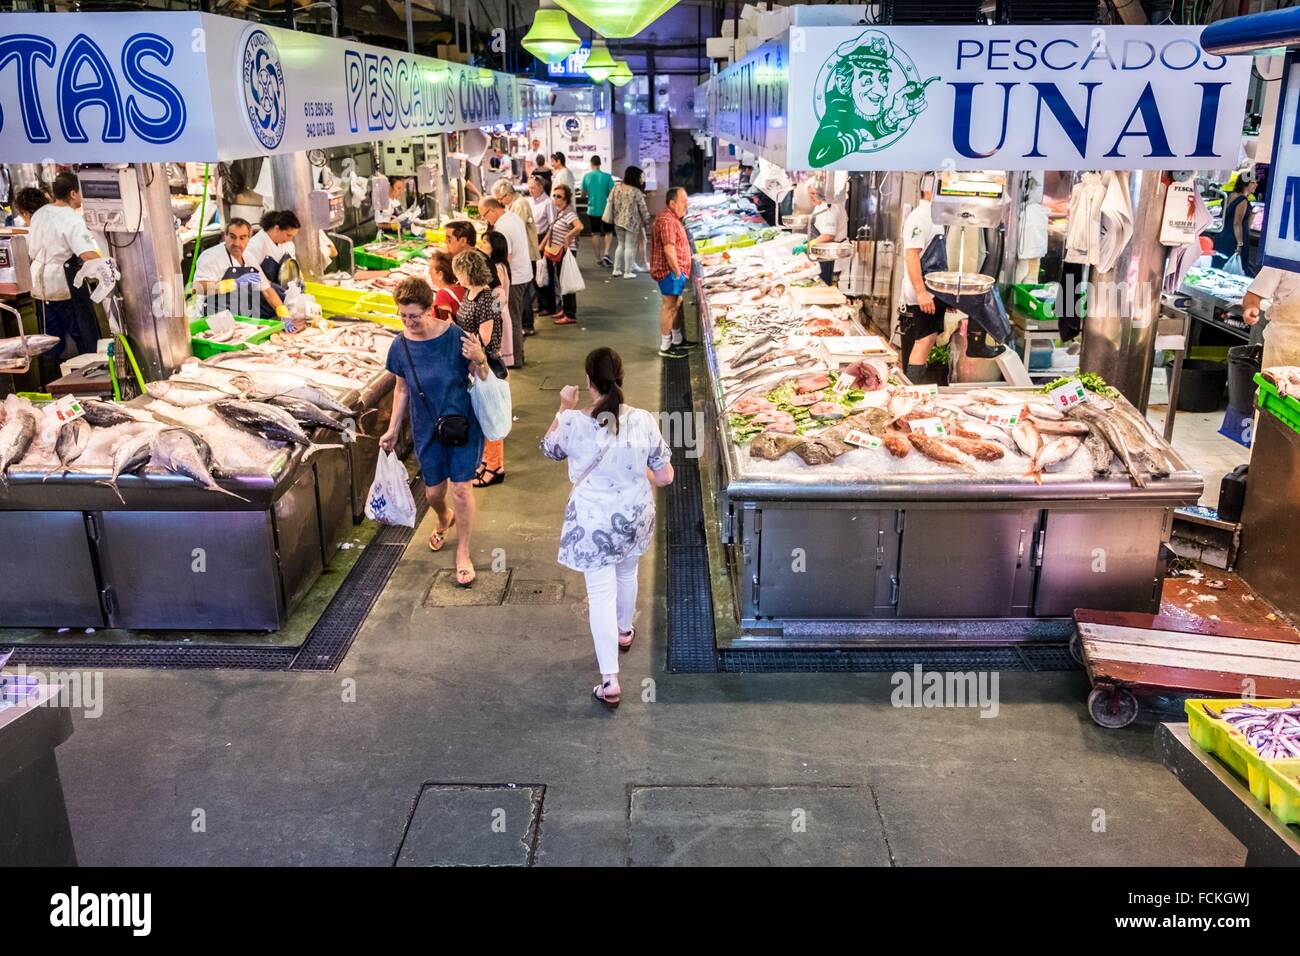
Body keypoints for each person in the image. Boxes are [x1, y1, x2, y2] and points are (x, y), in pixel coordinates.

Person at [540, 347, 674, 708]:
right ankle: (625, 631)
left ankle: (610, 680)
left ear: (587, 382)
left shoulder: (573, 422)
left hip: (593, 521)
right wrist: (640, 470)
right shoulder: (643, 420)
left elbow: (548, 450)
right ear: (621, 377)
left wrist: (563, 408)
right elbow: (664, 476)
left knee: (600, 593)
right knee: (628, 571)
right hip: (633, 516)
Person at [379, 276, 489, 588]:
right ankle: (444, 518)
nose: (409, 322)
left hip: (461, 422)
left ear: (430, 309)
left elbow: (481, 376)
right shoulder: (400, 346)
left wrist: (480, 360)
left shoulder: (455, 337)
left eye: (414, 315)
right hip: (426, 428)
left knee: (462, 489)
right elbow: (401, 390)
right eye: (403, 316)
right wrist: (392, 429)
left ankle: (463, 553)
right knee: (433, 493)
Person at [22, 172, 105, 383]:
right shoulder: (72, 218)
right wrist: (108, 263)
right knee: (83, 336)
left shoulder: (40, 213)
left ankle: (51, 385)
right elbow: (87, 254)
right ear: (73, 193)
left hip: (40, 284)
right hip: (64, 282)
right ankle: (90, 383)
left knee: (49, 341)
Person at [451, 249, 508, 489]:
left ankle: (496, 467)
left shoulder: (486, 299)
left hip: (487, 366)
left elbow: (484, 337)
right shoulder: (469, 294)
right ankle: (486, 461)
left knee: (490, 415)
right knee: (480, 416)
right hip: (473, 365)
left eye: (459, 272)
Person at [192, 219, 293, 326]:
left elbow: (267, 290)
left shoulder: (248, 257)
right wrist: (232, 284)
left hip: (240, 319)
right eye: (232, 236)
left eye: (242, 238)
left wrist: (283, 312)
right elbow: (197, 288)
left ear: (249, 238)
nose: (237, 243)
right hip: (211, 319)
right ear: (225, 236)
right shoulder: (211, 257)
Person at [897, 174, 946, 382]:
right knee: (923, 342)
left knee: (927, 340)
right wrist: (921, 292)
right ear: (929, 187)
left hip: (932, 292)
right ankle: (911, 392)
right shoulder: (920, 216)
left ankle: (913, 389)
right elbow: (911, 255)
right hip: (923, 294)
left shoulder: (937, 216)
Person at [480, 197, 532, 364]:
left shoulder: (502, 228)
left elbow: (506, 255)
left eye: (484, 215)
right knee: (516, 318)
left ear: (492, 210)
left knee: (513, 320)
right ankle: (515, 355)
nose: (485, 219)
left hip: (514, 278)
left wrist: (496, 278)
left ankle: (515, 358)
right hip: (523, 273)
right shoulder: (513, 217)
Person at [650, 186, 695, 359]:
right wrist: (677, 273)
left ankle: (677, 340)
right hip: (669, 272)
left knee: (676, 304)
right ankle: (665, 346)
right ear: (672, 203)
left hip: (675, 272)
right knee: (669, 306)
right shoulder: (667, 220)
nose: (686, 205)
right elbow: (669, 250)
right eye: (683, 202)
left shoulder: (671, 217)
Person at [493, 179, 539, 335]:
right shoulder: (516, 204)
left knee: (522, 297)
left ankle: (527, 325)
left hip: (523, 257)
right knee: (524, 294)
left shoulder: (519, 205)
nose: (500, 202)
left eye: (501, 199)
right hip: (524, 256)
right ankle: (527, 323)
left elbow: (510, 244)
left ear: (508, 194)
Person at [543, 184, 583, 326]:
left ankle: (570, 314)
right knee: (562, 281)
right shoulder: (561, 212)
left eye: (559, 196)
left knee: (567, 282)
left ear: (566, 199)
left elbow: (579, 226)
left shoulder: (569, 213)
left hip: (566, 252)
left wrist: (568, 237)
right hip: (560, 252)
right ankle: (566, 310)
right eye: (554, 195)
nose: (555, 198)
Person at [479, 229, 516, 368]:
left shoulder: (497, 268)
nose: (481, 245)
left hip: (498, 314)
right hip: (500, 313)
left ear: (495, 247)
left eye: (484, 242)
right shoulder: (501, 265)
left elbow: (497, 294)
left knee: (498, 360)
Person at [606, 166, 651, 279]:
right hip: (632, 223)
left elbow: (610, 201)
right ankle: (627, 272)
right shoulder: (636, 191)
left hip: (618, 221)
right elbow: (643, 209)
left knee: (620, 245)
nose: (641, 179)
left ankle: (616, 270)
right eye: (640, 176)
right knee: (629, 247)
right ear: (635, 177)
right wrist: (647, 222)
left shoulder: (616, 188)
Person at [807, 179, 848, 287]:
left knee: (829, 288)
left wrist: (808, 245)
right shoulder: (820, 205)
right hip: (824, 256)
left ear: (821, 193)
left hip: (831, 258)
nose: (810, 197)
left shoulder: (830, 207)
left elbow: (828, 235)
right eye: (809, 194)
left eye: (813, 194)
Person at [246, 209, 301, 288]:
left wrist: (299, 279)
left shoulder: (288, 245)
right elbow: (249, 277)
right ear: (277, 229)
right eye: (288, 235)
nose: (290, 239)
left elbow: (292, 268)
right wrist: (270, 285)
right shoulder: (254, 246)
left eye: (293, 236)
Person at [528, 174, 557, 318]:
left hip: (543, 240)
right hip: (533, 239)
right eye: (529, 187)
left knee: (546, 274)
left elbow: (552, 226)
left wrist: (543, 244)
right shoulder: (530, 202)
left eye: (533, 187)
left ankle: (549, 305)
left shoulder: (548, 202)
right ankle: (540, 303)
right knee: (535, 274)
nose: (530, 190)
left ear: (541, 187)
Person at [1212, 175, 1254, 274]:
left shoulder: (1230, 195)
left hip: (1223, 235)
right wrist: (1240, 244)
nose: (1256, 185)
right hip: (1233, 239)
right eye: (1253, 182)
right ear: (1246, 184)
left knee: (1219, 268)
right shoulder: (1242, 200)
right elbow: (1237, 223)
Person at [580, 155, 616, 266]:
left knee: (595, 233)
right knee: (609, 232)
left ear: (591, 164)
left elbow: (583, 194)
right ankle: (606, 253)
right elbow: (612, 192)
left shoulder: (586, 177)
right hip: (605, 209)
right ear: (600, 164)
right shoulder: (607, 177)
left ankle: (598, 258)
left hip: (592, 210)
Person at [428, 251, 466, 325]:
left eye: (430, 269)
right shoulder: (460, 287)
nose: (429, 273)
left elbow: (442, 325)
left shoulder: (442, 295)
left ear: (440, 274)